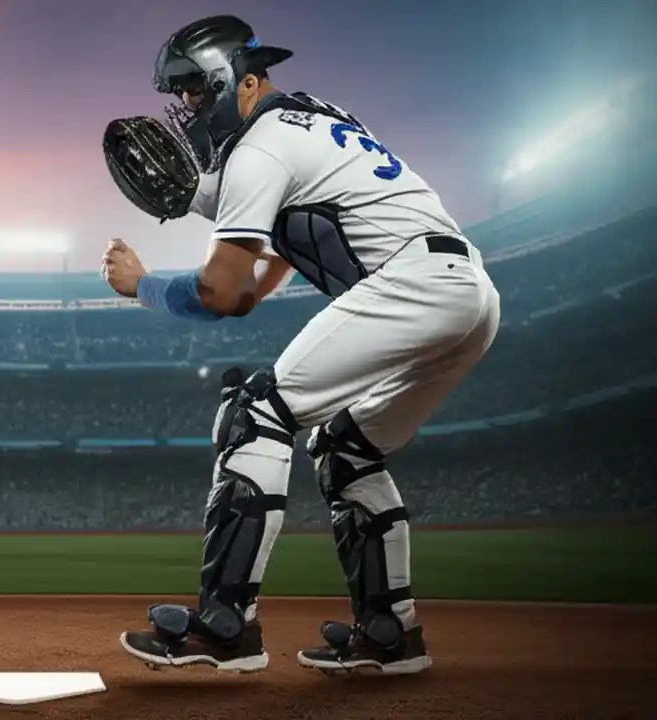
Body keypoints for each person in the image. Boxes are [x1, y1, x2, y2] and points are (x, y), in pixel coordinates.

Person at [102, 15, 500, 675]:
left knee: (255, 411)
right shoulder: (308, 120)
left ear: (241, 81)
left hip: (417, 282)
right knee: (346, 450)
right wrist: (200, 198)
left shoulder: (259, 148)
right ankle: (389, 634)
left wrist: (141, 284)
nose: (189, 109)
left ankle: (225, 627)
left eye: (197, 92)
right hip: (469, 292)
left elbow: (222, 293)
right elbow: (265, 274)